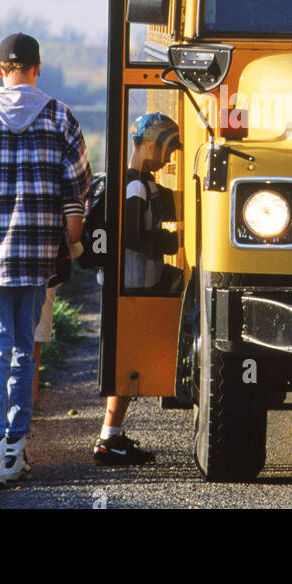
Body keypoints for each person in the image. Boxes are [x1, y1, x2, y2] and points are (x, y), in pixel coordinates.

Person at [0, 32, 92, 488]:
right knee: (24, 348)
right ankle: (14, 448)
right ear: (38, 67)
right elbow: (79, 186)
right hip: (39, 251)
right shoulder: (60, 117)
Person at [93, 112, 182, 465]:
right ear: (148, 146)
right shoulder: (135, 187)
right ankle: (108, 439)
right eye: (167, 148)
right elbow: (131, 235)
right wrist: (171, 241)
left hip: (132, 283)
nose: (169, 157)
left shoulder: (141, 183)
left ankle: (111, 436)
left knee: (128, 363)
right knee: (127, 364)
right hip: (133, 285)